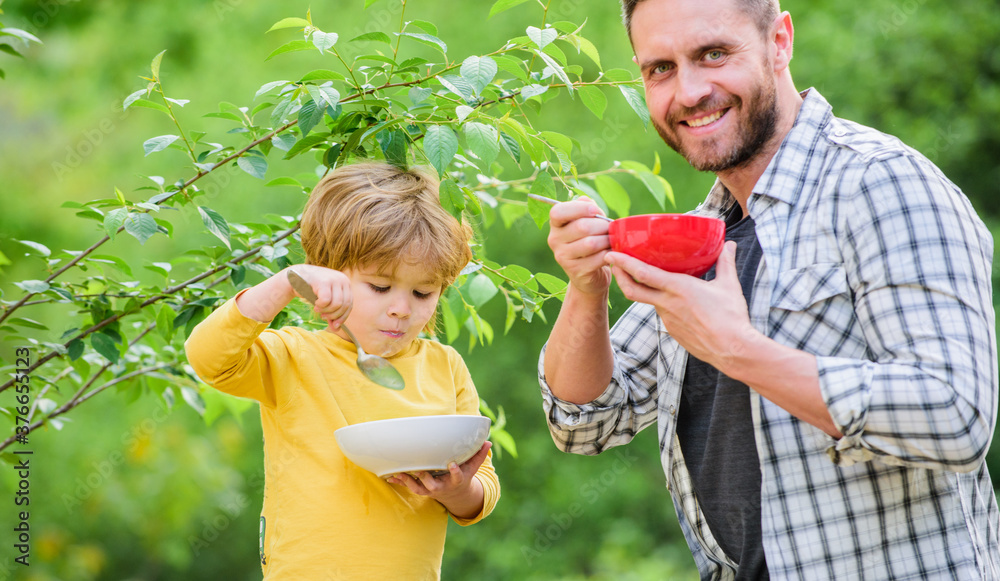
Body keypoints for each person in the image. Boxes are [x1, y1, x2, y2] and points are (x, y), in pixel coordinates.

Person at [537, 0, 999, 579]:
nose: (688, 91)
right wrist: (587, 286)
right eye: (661, 68)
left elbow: (956, 415)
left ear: (780, 42)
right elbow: (585, 421)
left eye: (713, 54)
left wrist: (739, 350)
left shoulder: (881, 184)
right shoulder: (705, 232)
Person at [185, 161, 500, 579]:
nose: (401, 309)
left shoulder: (445, 366)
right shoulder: (293, 356)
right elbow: (208, 357)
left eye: (423, 292)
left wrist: (460, 491)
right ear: (329, 272)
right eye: (380, 287)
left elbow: (483, 489)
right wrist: (284, 283)